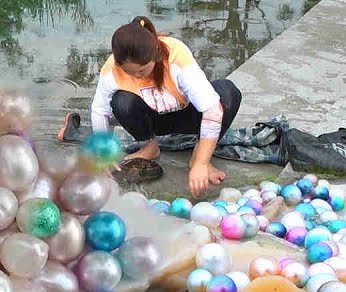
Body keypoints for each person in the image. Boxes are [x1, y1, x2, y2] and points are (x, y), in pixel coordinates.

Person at [88, 16, 242, 196]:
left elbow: (212, 110)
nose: (136, 76)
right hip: (153, 120)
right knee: (121, 101)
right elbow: (99, 110)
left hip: (190, 116)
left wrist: (201, 162)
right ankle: (149, 147)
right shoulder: (111, 69)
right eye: (129, 72)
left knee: (227, 93)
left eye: (142, 70)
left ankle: (198, 156)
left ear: (155, 56)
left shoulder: (176, 56)